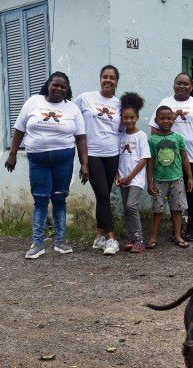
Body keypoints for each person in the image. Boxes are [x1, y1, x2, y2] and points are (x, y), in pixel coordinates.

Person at [5, 71, 88, 259]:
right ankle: (37, 243)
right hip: (38, 161)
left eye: (63, 87)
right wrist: (12, 154)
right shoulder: (33, 102)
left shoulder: (73, 109)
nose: (59, 89)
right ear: (48, 85)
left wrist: (85, 164)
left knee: (59, 198)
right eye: (55, 85)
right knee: (40, 200)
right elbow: (19, 129)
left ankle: (60, 241)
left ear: (67, 90)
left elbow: (81, 139)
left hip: (64, 160)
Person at [149, 73, 193, 241]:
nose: (182, 86)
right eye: (179, 83)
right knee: (171, 196)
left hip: (191, 158)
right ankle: (176, 230)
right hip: (167, 160)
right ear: (173, 85)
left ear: (191, 87)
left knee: (191, 193)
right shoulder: (165, 103)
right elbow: (154, 130)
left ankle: (191, 229)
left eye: (186, 84)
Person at [73, 65, 123, 255]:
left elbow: (122, 131)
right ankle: (111, 239)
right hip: (91, 153)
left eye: (112, 77)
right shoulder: (85, 98)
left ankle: (98, 237)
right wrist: (83, 162)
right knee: (102, 193)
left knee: (104, 194)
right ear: (100, 78)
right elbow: (73, 119)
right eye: (105, 76)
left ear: (117, 81)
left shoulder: (119, 104)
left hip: (112, 154)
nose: (108, 80)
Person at [146, 106, 193, 249]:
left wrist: (190, 177)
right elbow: (150, 161)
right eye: (162, 118)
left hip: (177, 179)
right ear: (156, 120)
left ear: (173, 119)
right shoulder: (152, 140)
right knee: (157, 209)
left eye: (169, 118)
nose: (166, 121)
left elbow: (185, 158)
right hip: (159, 180)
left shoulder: (178, 138)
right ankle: (154, 236)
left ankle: (178, 235)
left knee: (177, 209)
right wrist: (150, 181)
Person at [116, 92, 151, 253]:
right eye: (125, 118)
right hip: (122, 179)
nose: (128, 120)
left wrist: (130, 177)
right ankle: (130, 238)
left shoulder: (141, 136)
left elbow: (144, 159)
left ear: (136, 117)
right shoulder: (120, 136)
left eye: (132, 117)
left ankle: (139, 240)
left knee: (131, 206)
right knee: (126, 208)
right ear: (122, 118)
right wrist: (118, 176)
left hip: (135, 179)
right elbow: (116, 157)